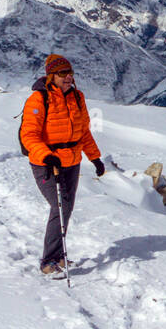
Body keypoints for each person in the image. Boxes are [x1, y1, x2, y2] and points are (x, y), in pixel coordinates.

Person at [20, 54, 105, 275]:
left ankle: (57, 257)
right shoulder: (39, 99)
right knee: (60, 207)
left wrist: (95, 157)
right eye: (62, 73)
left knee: (65, 209)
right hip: (47, 163)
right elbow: (29, 135)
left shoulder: (77, 97)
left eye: (70, 73)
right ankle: (48, 261)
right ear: (51, 76)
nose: (68, 77)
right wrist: (47, 156)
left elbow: (83, 132)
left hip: (72, 161)